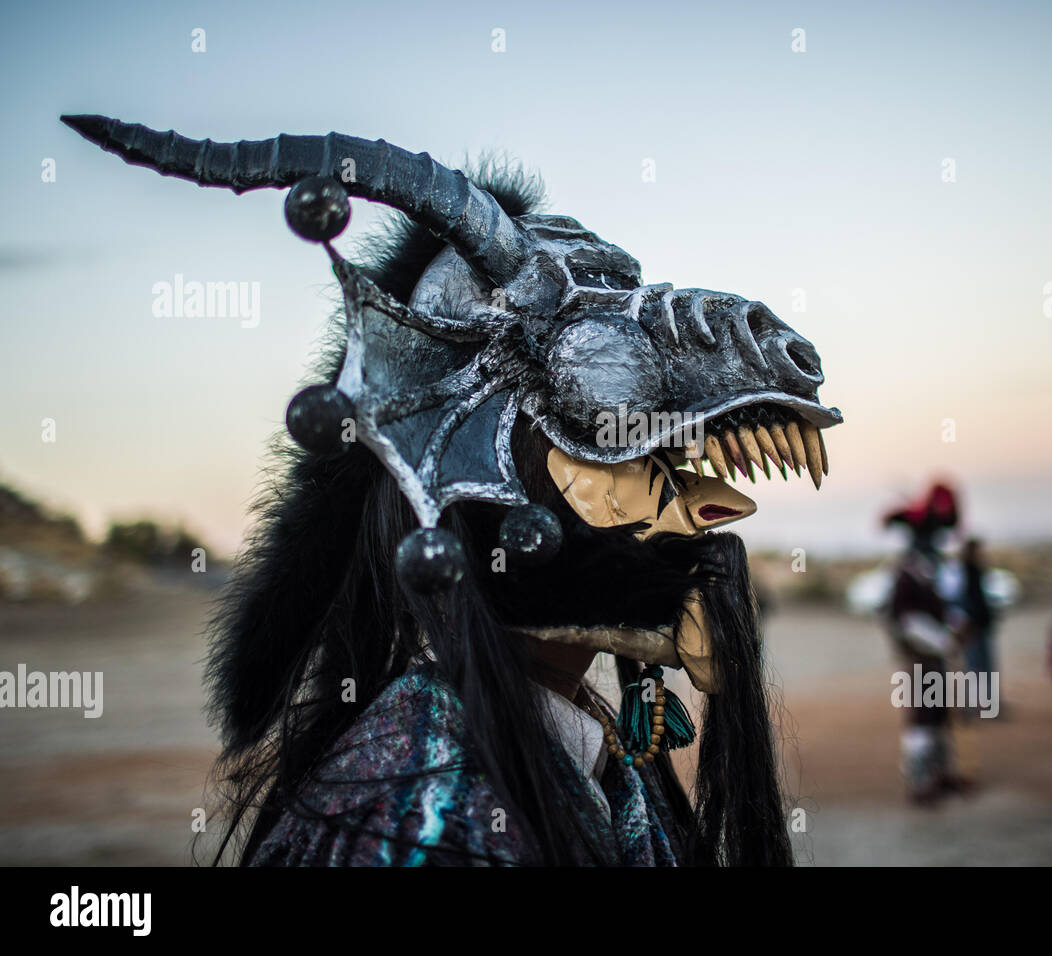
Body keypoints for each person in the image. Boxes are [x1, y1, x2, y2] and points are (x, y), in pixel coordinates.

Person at [65, 114, 845, 865]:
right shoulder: (398, 811)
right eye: (613, 420)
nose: (705, 528)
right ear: (475, 466)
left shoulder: (594, 743)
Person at [883, 483, 973, 804]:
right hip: (919, 657)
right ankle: (920, 781)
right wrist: (946, 638)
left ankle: (941, 773)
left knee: (937, 714)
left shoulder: (930, 570)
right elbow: (905, 620)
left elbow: (939, 610)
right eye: (931, 532)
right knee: (922, 717)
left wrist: (956, 626)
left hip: (934, 657)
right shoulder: (908, 572)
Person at [956, 538, 997, 707]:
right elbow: (962, 600)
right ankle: (976, 704)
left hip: (981, 624)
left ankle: (988, 702)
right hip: (971, 627)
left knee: (985, 666)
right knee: (974, 666)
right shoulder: (962, 572)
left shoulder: (976, 571)